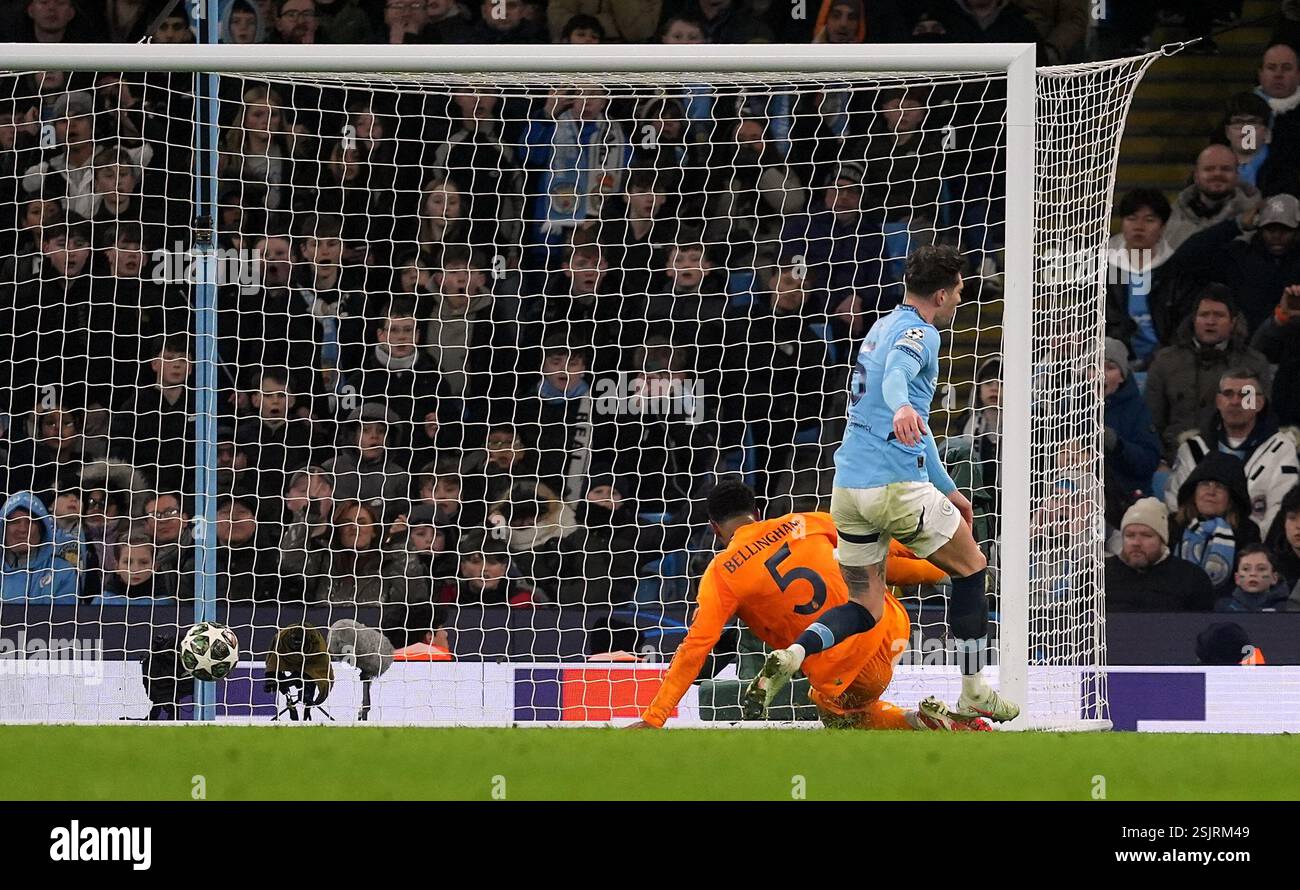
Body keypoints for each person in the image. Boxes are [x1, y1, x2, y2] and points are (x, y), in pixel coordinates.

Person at [750, 245, 1019, 723]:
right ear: (941, 293)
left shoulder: (880, 326)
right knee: (973, 566)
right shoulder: (921, 332)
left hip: (849, 490)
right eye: (958, 290)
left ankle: (793, 655)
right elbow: (899, 377)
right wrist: (900, 406)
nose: (960, 298)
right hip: (893, 486)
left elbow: (918, 428)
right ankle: (975, 690)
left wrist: (948, 488)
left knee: (864, 605)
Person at [630, 481, 986, 731]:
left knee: (838, 713)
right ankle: (933, 715)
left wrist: (655, 715)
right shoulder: (802, 521)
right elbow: (884, 548)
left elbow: (696, 646)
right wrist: (949, 564)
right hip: (890, 625)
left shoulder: (722, 573)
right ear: (758, 511)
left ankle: (916, 722)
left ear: (714, 529)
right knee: (857, 561)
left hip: (847, 670)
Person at [1164, 367, 1298, 534]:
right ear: (1219, 401)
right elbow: (1176, 503)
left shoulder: (1281, 448)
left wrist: (1248, 544)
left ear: (1259, 403)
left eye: (1245, 395)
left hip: (1256, 550)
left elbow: (1281, 509)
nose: (1235, 401)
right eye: (1228, 394)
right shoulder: (1193, 449)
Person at [1144, 287, 1273, 457]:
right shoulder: (1165, 361)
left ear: (1233, 321)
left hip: (1236, 458)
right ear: (1194, 320)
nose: (1210, 321)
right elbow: (1150, 423)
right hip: (1174, 459)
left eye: (1219, 315)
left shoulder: (1254, 364)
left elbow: (1262, 421)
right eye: (1204, 315)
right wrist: (1159, 461)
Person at [1166, 452, 1261, 598]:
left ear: (1232, 496)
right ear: (1193, 491)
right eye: (1204, 484)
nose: (1211, 492)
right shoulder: (1173, 525)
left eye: (1220, 486)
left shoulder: (1247, 532)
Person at [1105, 496, 1216, 612]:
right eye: (1130, 535)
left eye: (1146, 535)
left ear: (1162, 540)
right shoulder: (1098, 573)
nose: (1136, 543)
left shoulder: (1192, 578)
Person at [1162, 144, 1260, 251]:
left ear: (1237, 175)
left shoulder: (1256, 218)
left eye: (1226, 169)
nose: (1217, 174)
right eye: (1209, 169)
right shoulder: (1169, 218)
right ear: (1196, 176)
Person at [1103, 338, 1161, 500]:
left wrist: (1117, 445)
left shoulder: (1137, 409)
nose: (1100, 374)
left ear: (1122, 376)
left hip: (1126, 497)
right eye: (1092, 367)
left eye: (1110, 367)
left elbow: (1149, 462)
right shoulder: (1068, 407)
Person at [0, 491, 80, 604]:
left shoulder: (61, 571)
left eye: (30, 522)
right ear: (3, 529)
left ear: (42, 530)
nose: (22, 529)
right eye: (15, 522)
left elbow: (64, 619)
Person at [1215, 544, 1299, 612]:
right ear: (1237, 578)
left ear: (1274, 578)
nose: (1253, 574)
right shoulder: (1222, 607)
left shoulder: (1288, 609)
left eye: (1261, 569)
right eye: (1246, 569)